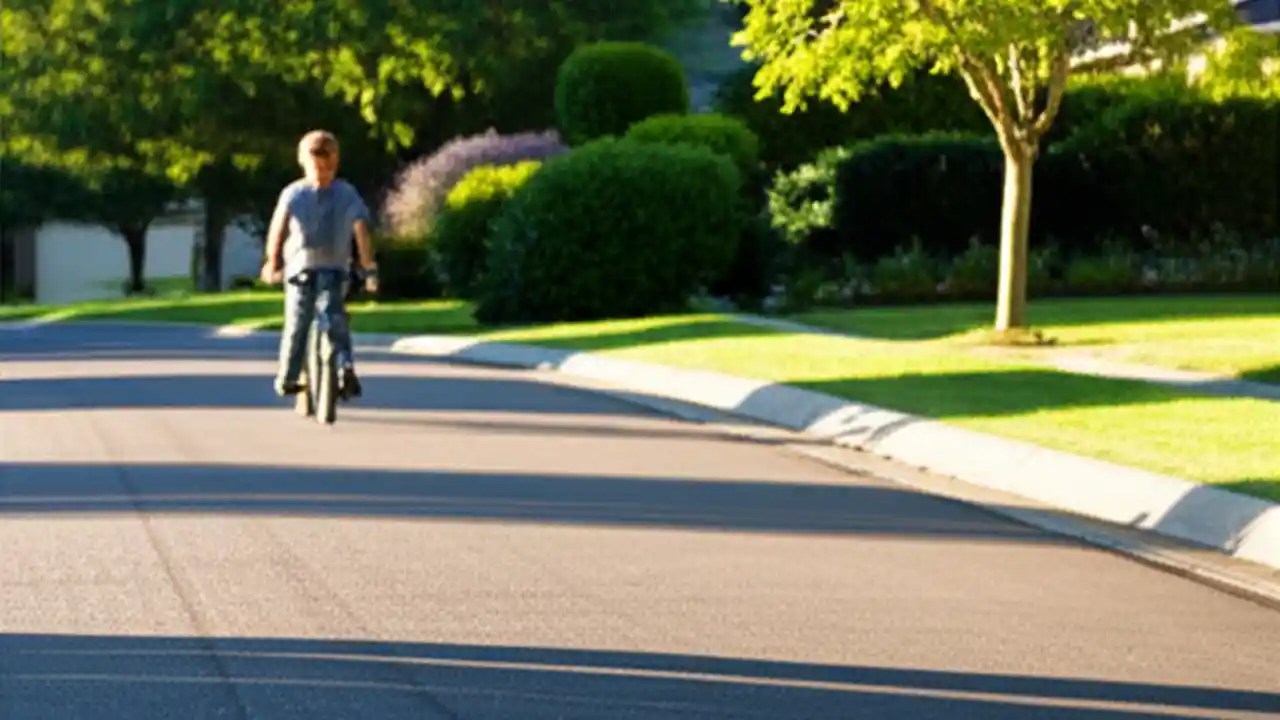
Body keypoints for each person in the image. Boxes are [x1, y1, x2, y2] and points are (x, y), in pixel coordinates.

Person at [261, 129, 379, 400]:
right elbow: (277, 230)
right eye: (318, 166)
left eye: (326, 166)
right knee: (314, 319)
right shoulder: (303, 194)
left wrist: (368, 267)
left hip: (323, 269)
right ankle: (309, 373)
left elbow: (361, 232)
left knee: (318, 319)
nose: (322, 172)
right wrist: (272, 260)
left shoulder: (333, 193)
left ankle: (329, 372)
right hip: (311, 269)